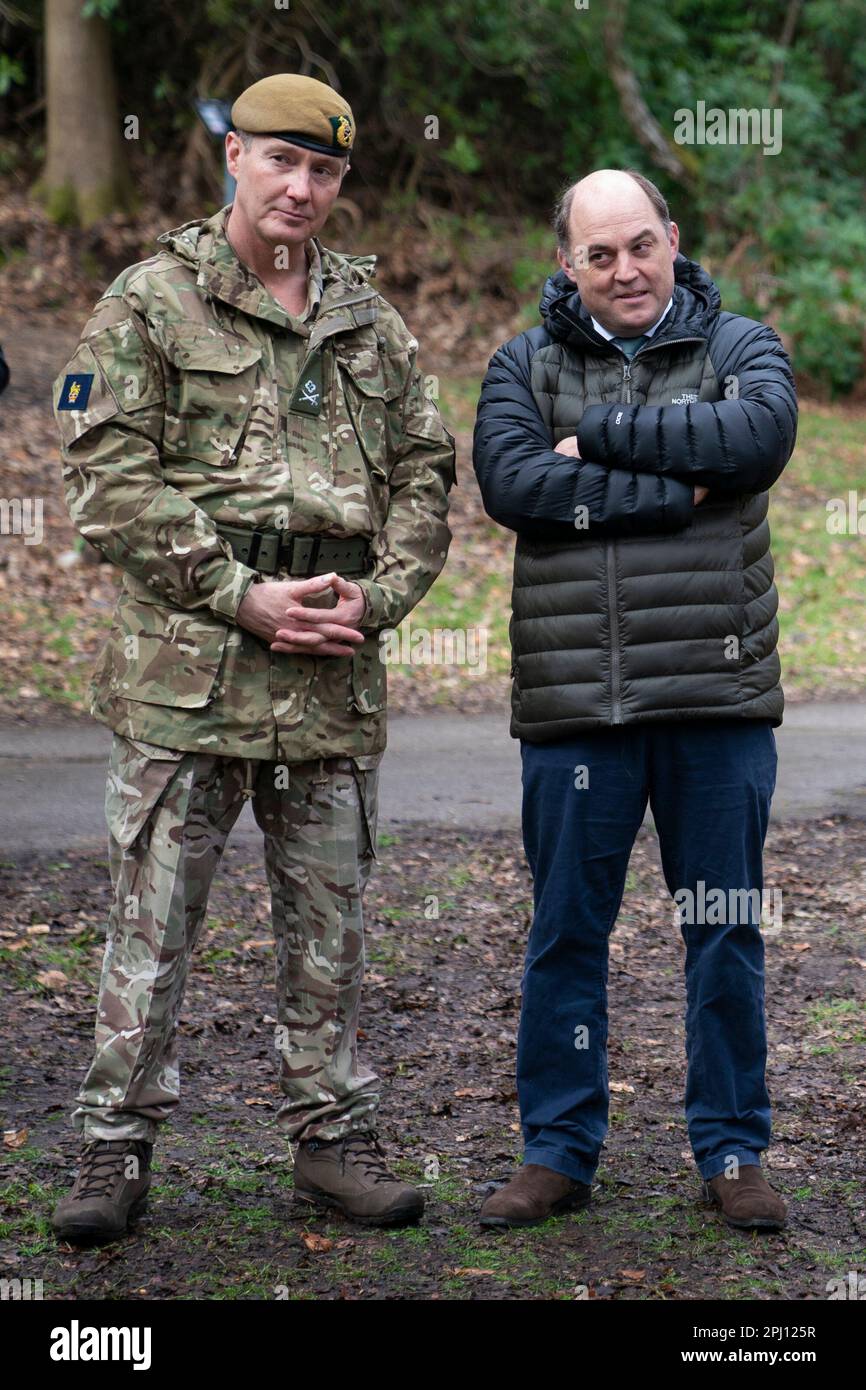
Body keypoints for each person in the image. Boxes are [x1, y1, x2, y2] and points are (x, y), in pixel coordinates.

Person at [50, 73, 455, 1244]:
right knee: (151, 923)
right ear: (232, 155)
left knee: (327, 927)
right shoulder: (147, 302)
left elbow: (428, 470)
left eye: (325, 170)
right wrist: (243, 596)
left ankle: (330, 1141)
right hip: (188, 672)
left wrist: (375, 602)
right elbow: (104, 480)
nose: (303, 186)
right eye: (281, 160)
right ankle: (113, 1148)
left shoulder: (369, 322)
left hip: (328, 670)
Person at [472, 167, 796, 1231]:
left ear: (671, 239)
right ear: (564, 263)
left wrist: (602, 439)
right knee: (565, 933)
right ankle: (557, 1150)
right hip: (578, 706)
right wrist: (680, 488)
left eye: (640, 245)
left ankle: (733, 1147)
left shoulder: (739, 347)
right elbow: (515, 486)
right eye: (598, 253)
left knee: (722, 931)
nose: (624, 269)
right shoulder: (520, 363)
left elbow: (754, 441)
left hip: (716, 696)